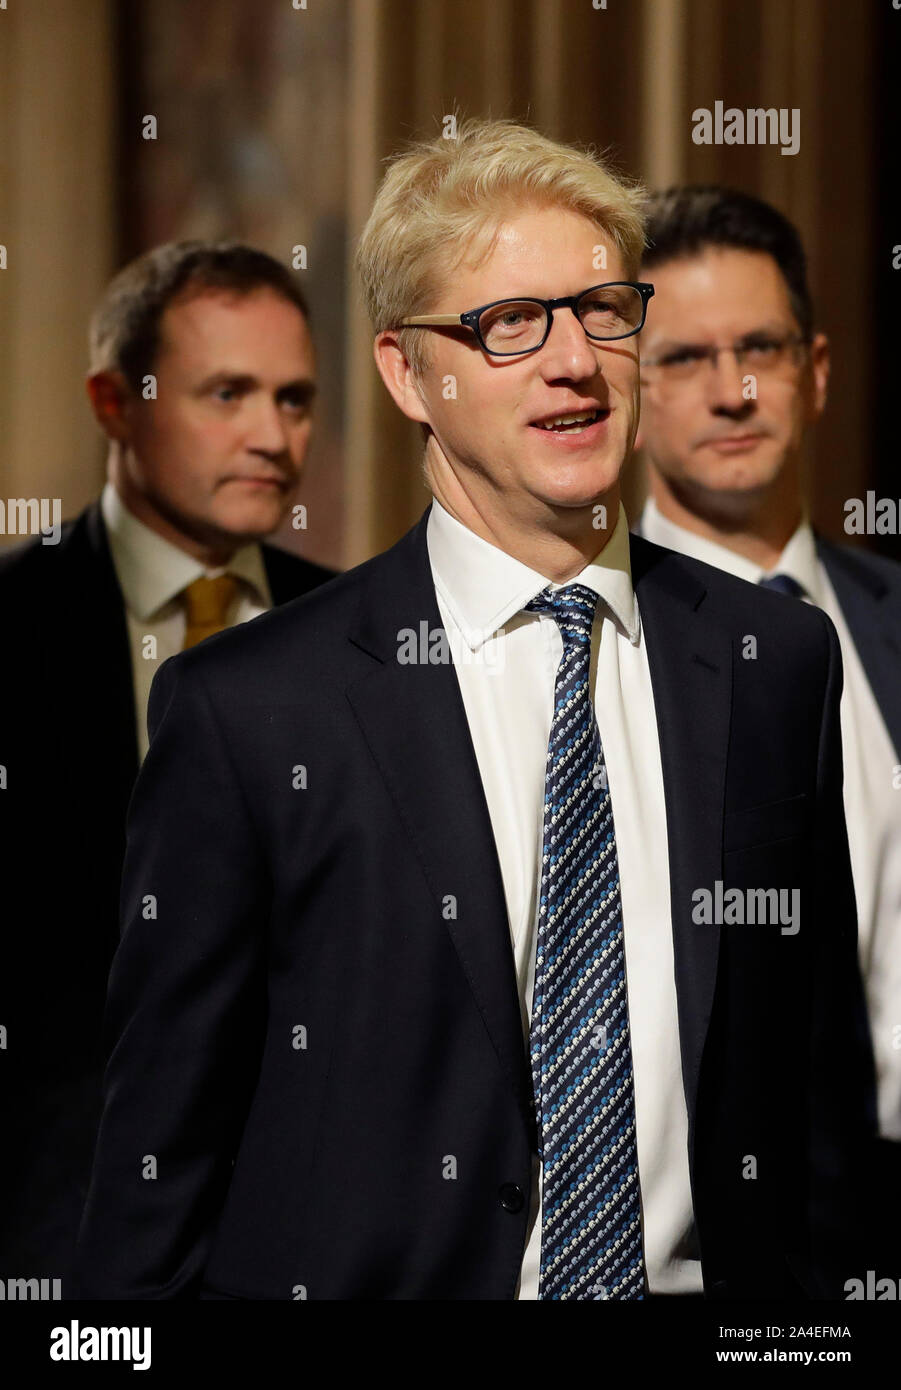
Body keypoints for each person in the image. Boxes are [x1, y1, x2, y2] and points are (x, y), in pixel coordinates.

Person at [74, 122, 874, 1301]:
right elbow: (157, 1175)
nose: (573, 360)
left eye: (603, 310)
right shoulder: (254, 711)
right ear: (407, 373)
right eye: (510, 324)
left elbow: (817, 1108)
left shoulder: (771, 658)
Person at [0, 241, 336, 1293]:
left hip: (319, 1220)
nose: (271, 436)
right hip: (55, 1225)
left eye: (293, 399)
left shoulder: (365, 630)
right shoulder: (11, 629)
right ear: (114, 403)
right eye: (226, 393)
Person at [635, 187, 901, 1262]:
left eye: (760, 348)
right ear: (631, 387)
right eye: (687, 359)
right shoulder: (588, 641)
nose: (732, 390)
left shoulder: (888, 617)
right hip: (720, 1247)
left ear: (817, 370)